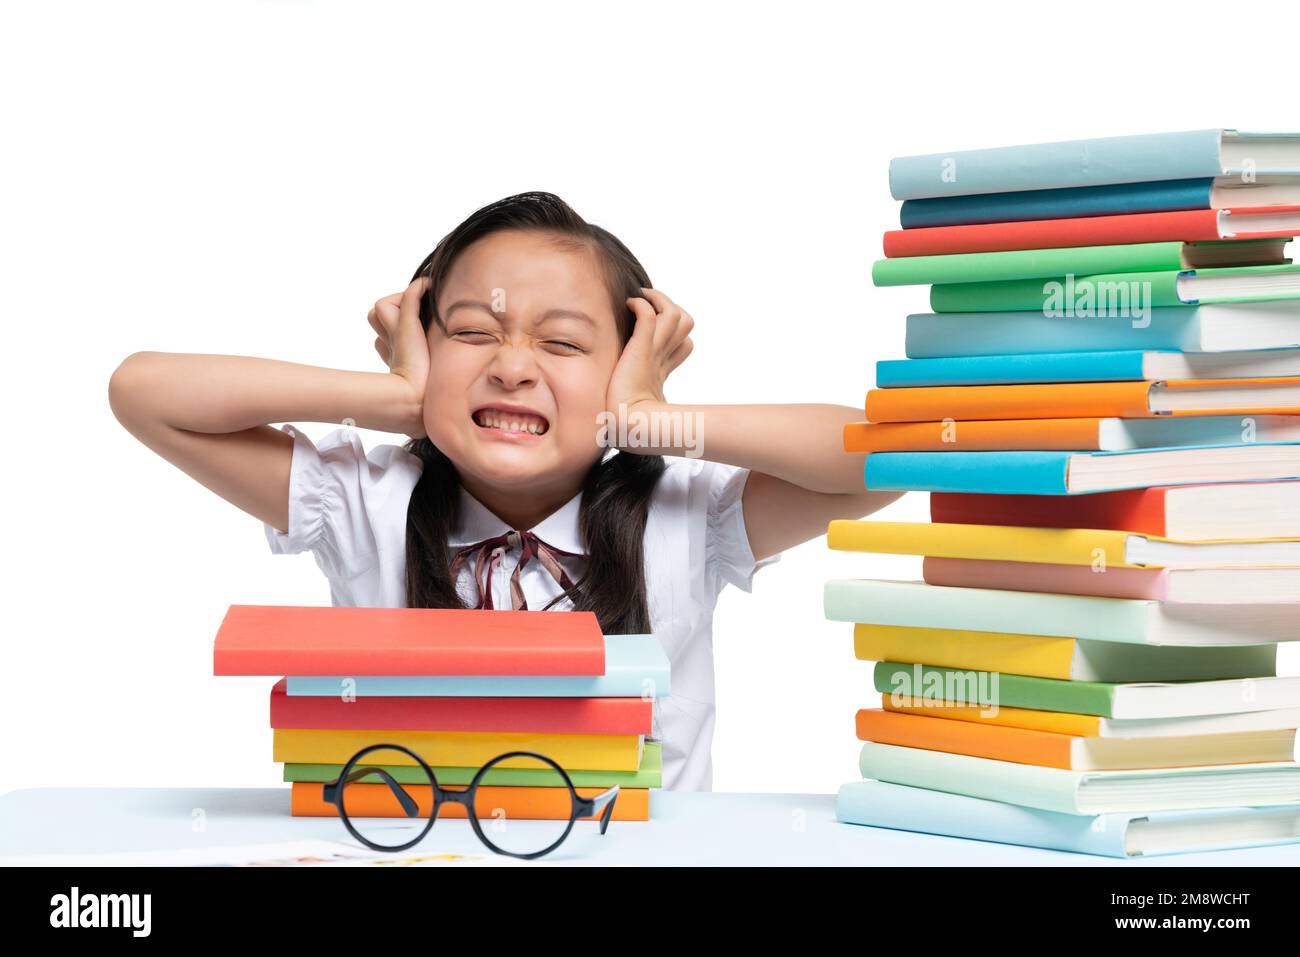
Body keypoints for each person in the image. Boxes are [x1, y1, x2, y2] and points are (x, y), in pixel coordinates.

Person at [109, 191, 901, 790]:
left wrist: (655, 420)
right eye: (472, 331)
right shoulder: (362, 501)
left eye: (561, 342)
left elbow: (883, 457)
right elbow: (144, 392)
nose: (513, 365)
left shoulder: (687, 515)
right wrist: (394, 399)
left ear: (628, 369)